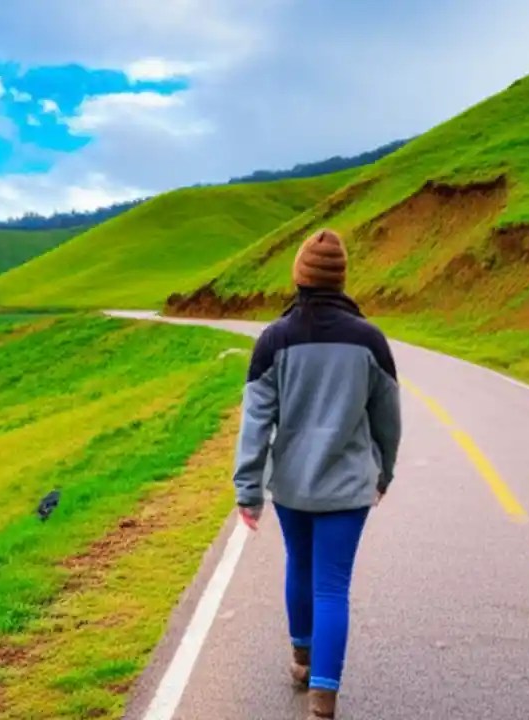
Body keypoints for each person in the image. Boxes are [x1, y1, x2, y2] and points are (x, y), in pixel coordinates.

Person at [232, 228, 402, 719]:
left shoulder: (274, 339)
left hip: (292, 486)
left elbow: (255, 422)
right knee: (332, 585)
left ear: (300, 275)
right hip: (348, 490)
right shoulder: (370, 340)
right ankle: (323, 700)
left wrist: (249, 490)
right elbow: (389, 420)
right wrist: (382, 475)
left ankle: (301, 660)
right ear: (341, 277)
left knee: (299, 565)